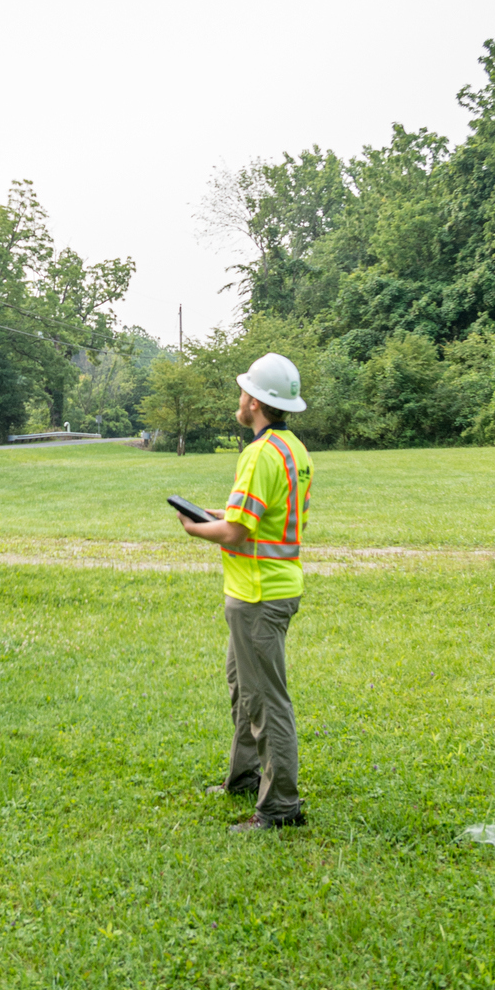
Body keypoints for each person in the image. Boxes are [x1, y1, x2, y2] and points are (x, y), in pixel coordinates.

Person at [174, 352, 313, 833]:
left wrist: (196, 530)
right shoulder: (292, 449)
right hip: (270, 587)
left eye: (242, 391)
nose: (239, 398)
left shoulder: (257, 455)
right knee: (243, 690)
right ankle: (244, 777)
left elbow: (236, 534)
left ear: (254, 401)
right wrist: (218, 516)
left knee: (265, 701)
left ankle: (280, 808)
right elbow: (251, 519)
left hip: (258, 595)